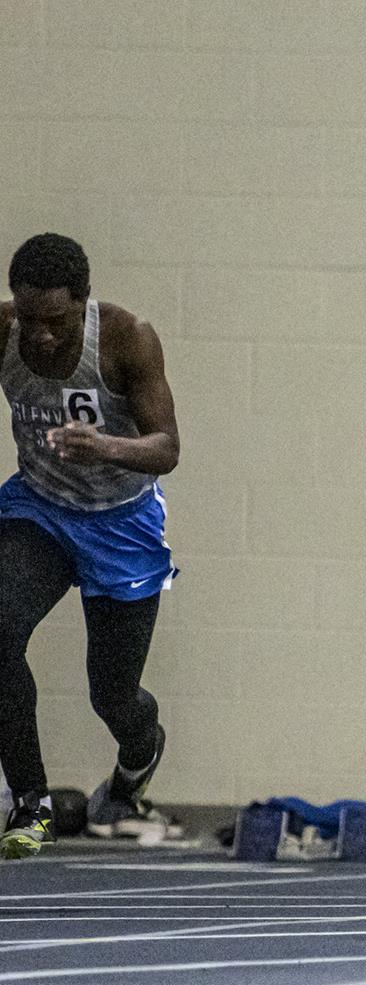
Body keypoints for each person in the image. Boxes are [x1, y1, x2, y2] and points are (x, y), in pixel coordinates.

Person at [1, 234, 182, 860]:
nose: (42, 336)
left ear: (84, 303)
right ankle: (31, 802)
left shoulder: (128, 337)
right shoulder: (4, 333)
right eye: (31, 319)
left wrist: (104, 445)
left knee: (112, 696)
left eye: (57, 321)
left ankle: (139, 757)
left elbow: (167, 448)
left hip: (121, 522)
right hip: (41, 509)